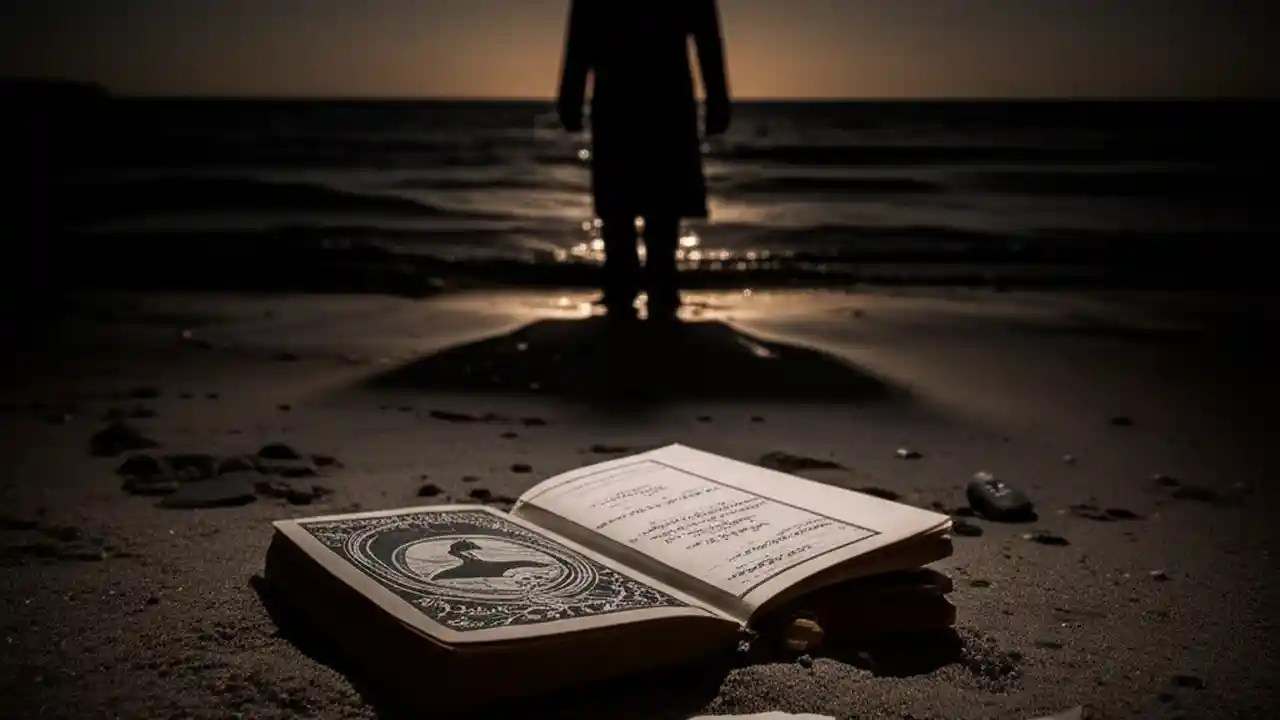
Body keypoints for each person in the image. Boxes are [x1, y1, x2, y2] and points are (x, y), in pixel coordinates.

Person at [557, 0, 731, 320]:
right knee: (638, 209)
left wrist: (571, 92)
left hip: (642, 97)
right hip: (645, 97)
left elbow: (581, 31)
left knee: (644, 209)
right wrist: (718, 96)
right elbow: (706, 33)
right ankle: (638, 291)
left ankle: (642, 291)